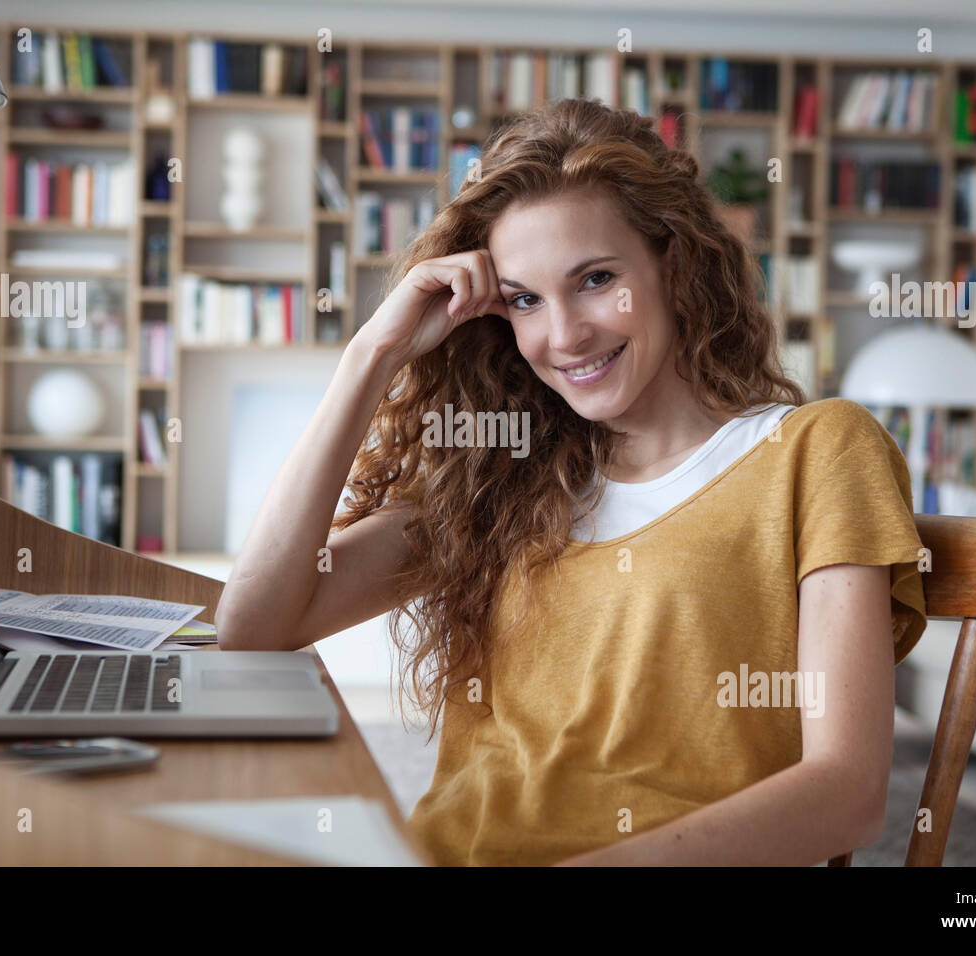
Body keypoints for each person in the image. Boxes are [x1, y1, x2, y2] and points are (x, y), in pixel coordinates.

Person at [215, 97, 928, 867]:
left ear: (675, 263)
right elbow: (254, 624)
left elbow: (848, 794)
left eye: (594, 280)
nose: (563, 335)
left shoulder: (817, 451)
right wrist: (373, 353)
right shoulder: (504, 475)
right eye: (525, 298)